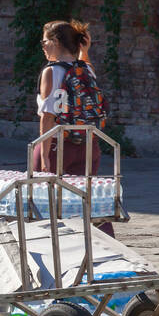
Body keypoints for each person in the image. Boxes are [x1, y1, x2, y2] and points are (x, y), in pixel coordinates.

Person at [35, 20, 114, 236]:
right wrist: (84, 52)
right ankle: (101, 242)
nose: (42, 46)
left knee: (43, 201)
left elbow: (48, 116)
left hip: (59, 146)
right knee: (85, 201)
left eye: (45, 41)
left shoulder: (51, 72)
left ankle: (52, 246)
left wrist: (44, 157)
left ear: (56, 42)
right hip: (89, 145)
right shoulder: (85, 68)